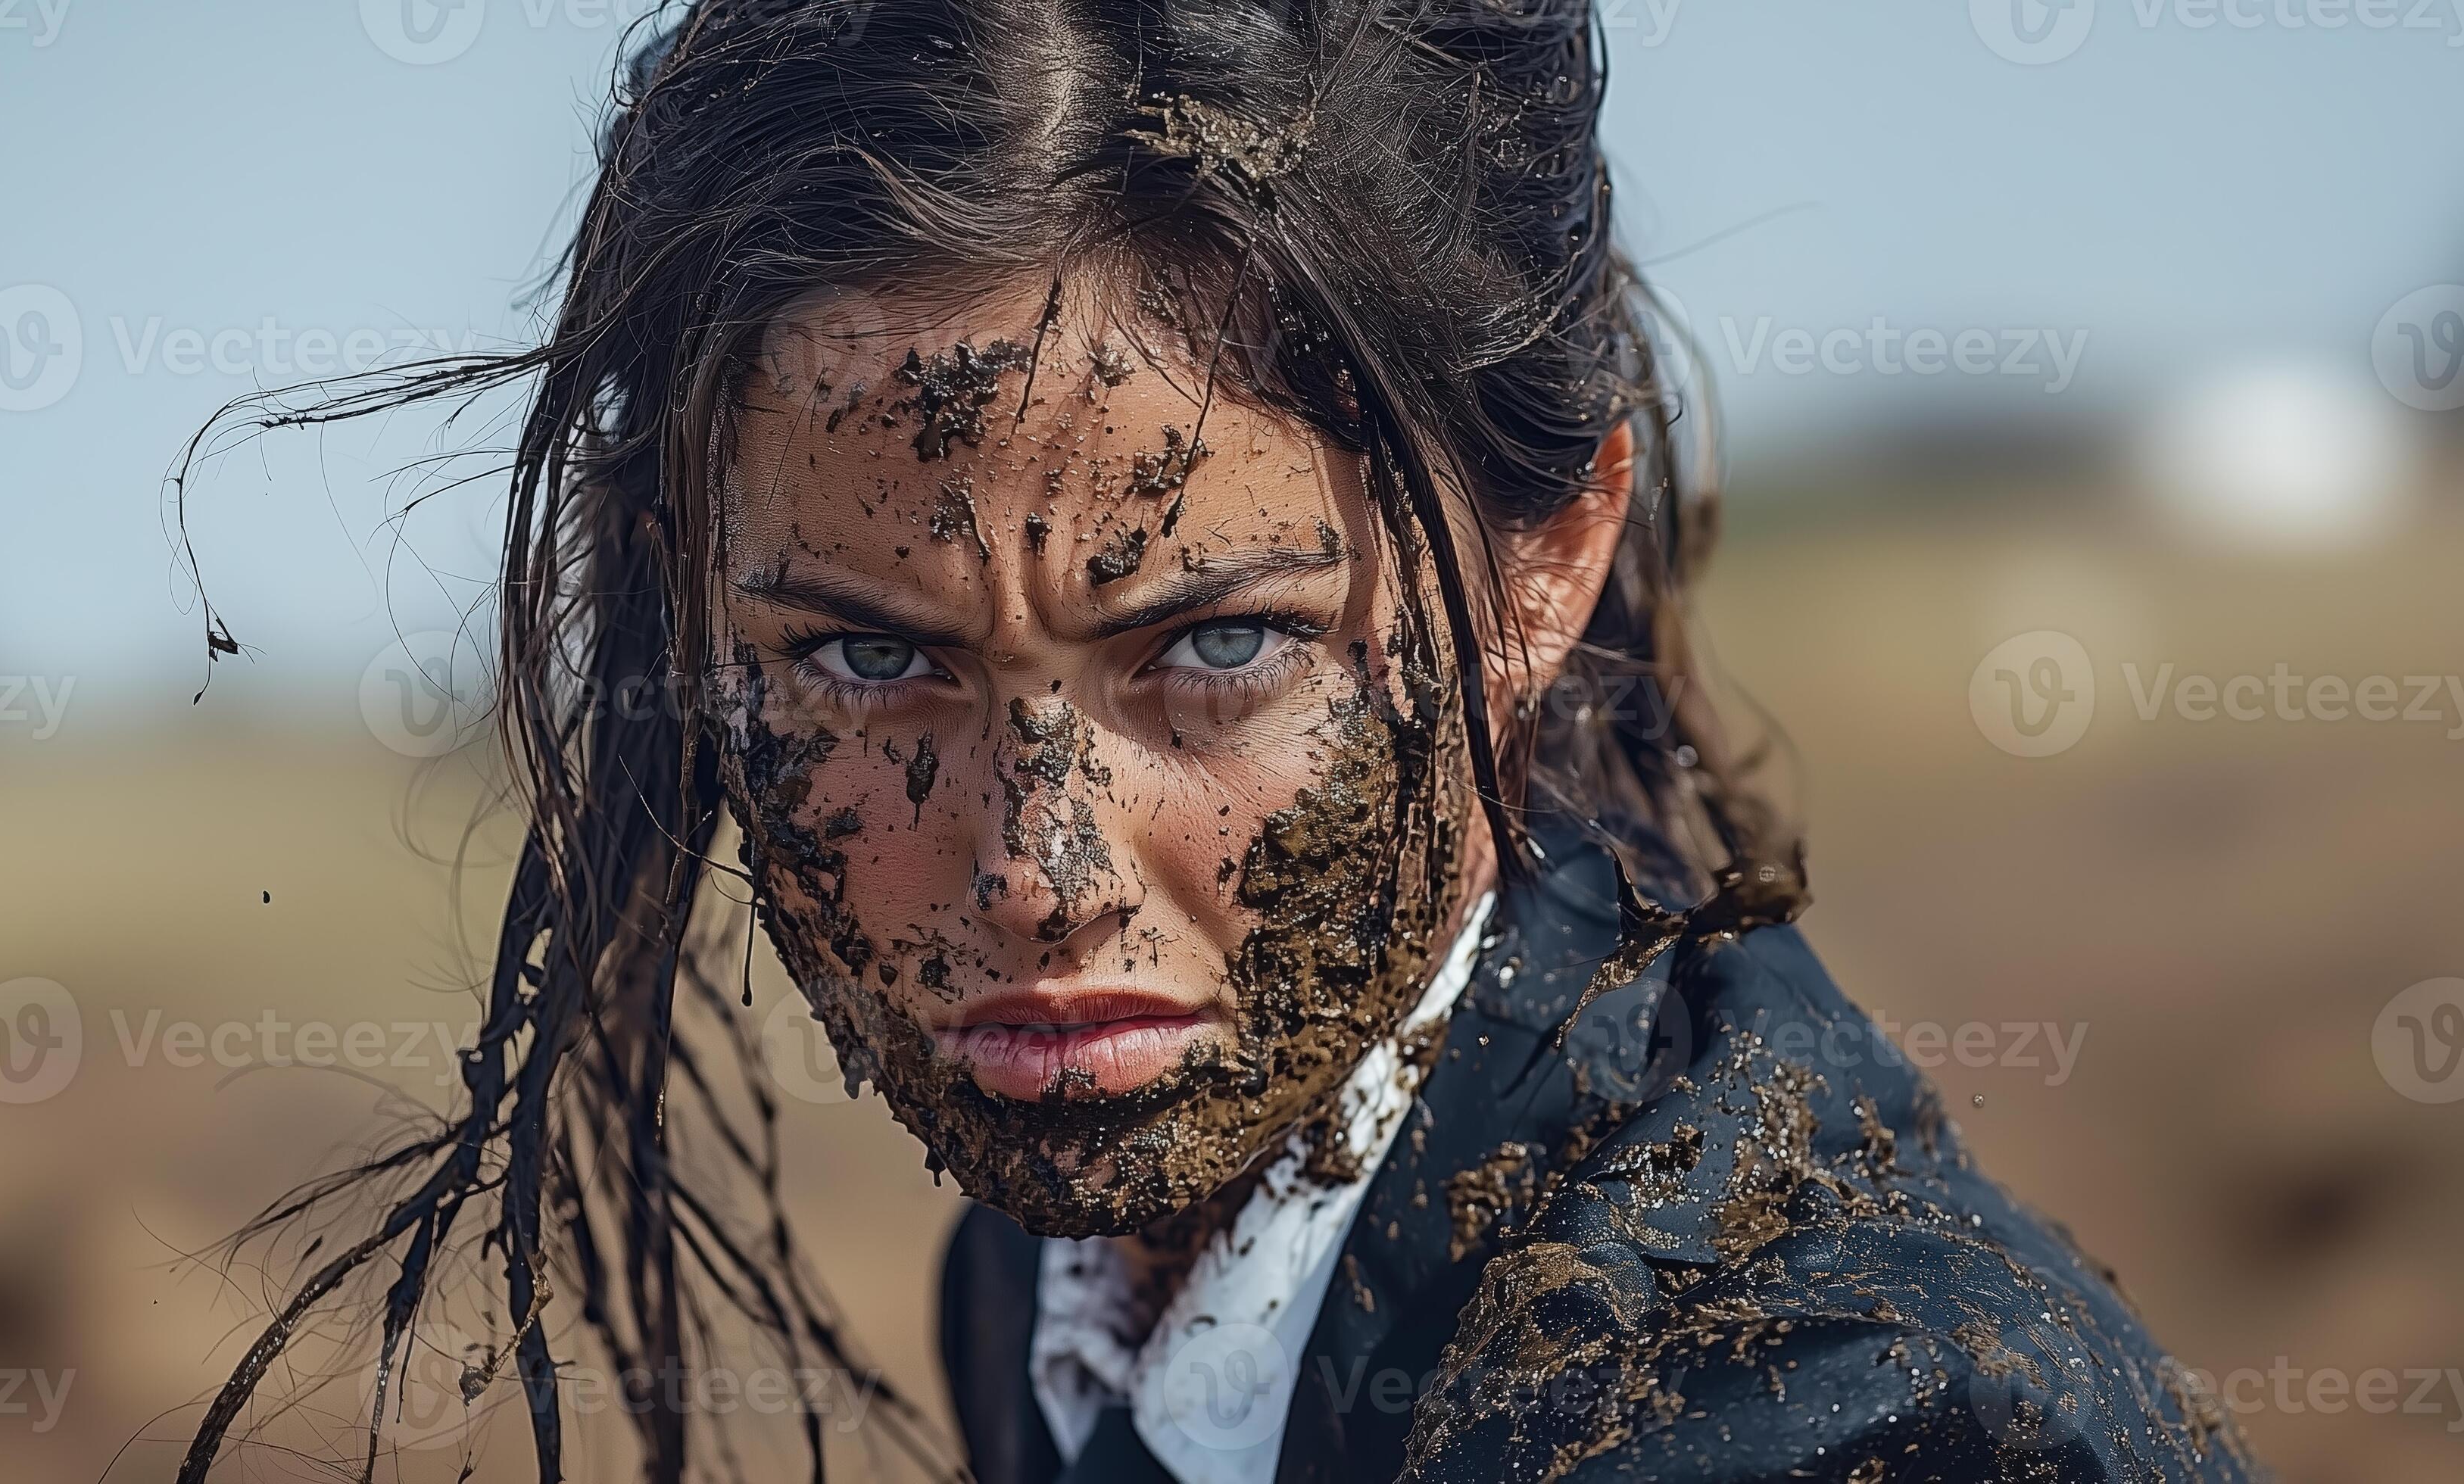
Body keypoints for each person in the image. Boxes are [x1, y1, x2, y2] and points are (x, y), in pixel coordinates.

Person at [173, 2, 2263, 1481]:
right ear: (680, 603)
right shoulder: (1061, 1274)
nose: (1033, 876)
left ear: (1548, 564)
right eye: (859, 666)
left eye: (1224, 646)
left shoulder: (1835, 1425)